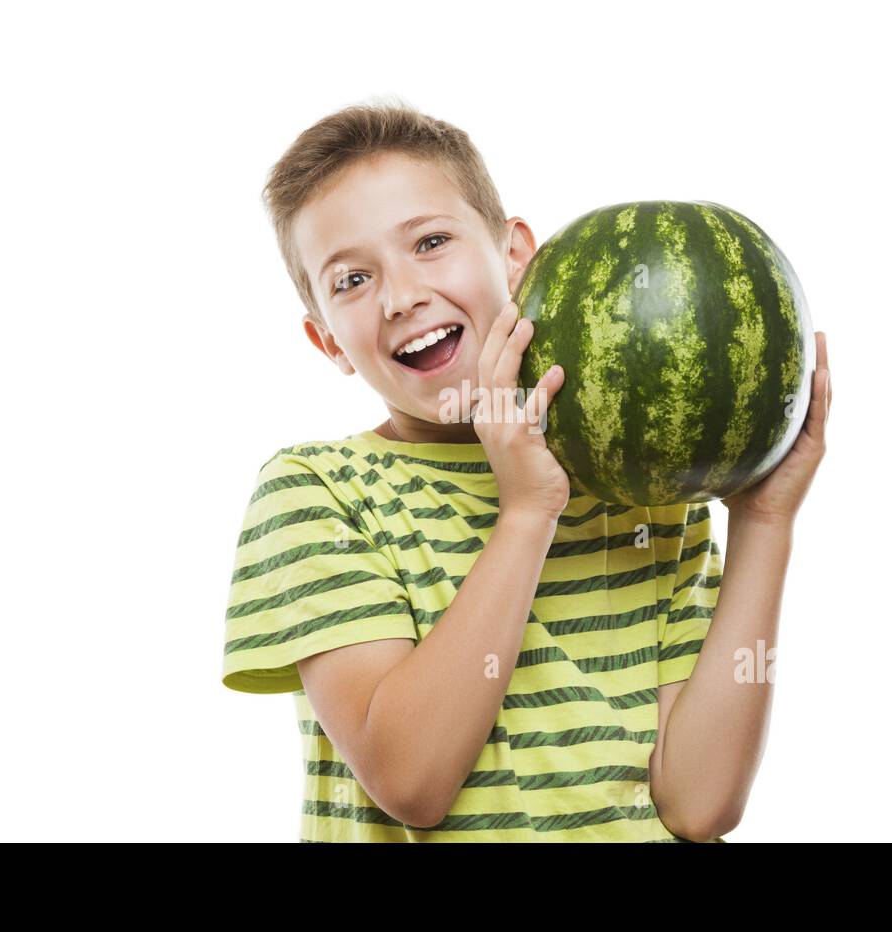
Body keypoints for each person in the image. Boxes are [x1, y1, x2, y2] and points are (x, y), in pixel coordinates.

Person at [220, 98, 832, 842]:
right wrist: (525, 515)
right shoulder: (317, 494)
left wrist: (765, 519)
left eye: (431, 241)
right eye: (352, 280)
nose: (402, 297)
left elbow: (700, 804)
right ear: (329, 343)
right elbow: (411, 780)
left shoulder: (641, 488)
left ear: (516, 255)